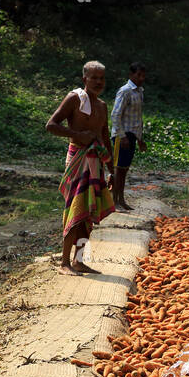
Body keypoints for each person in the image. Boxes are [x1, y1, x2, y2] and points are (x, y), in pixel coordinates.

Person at [45, 60, 115, 276]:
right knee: (75, 209)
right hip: (77, 160)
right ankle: (65, 262)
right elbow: (51, 125)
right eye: (94, 78)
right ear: (84, 79)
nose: (98, 82)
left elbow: (105, 138)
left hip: (95, 162)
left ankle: (79, 260)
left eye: (101, 78)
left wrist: (111, 169)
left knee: (87, 213)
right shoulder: (75, 98)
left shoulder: (102, 106)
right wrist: (77, 135)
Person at [110, 63, 147, 212]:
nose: (141, 78)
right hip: (122, 136)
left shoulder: (139, 92)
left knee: (124, 170)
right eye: (138, 75)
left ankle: (121, 199)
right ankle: (114, 202)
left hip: (132, 135)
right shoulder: (125, 91)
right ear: (131, 75)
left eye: (143, 75)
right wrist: (121, 135)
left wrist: (140, 139)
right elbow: (115, 114)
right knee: (118, 169)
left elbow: (137, 118)